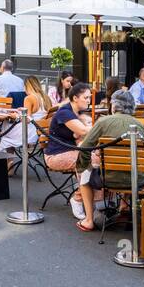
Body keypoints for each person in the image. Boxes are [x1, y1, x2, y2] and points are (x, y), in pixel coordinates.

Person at [74, 89, 144, 234]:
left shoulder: (103, 121)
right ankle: (124, 207)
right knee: (131, 165)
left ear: (113, 106)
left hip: (108, 179)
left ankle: (89, 220)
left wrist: (83, 166)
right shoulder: (140, 125)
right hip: (137, 180)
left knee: (84, 175)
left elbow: (85, 147)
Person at [44, 82, 95, 229]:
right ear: (74, 98)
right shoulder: (64, 112)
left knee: (96, 159)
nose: (89, 100)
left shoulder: (74, 113)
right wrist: (101, 127)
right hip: (56, 155)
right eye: (86, 97)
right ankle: (79, 199)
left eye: (89, 97)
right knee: (90, 162)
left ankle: (96, 202)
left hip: (69, 151)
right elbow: (83, 132)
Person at [0, 76, 51, 158]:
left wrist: (16, 116)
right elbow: (38, 114)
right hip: (42, 132)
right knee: (7, 133)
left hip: (30, 132)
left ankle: (9, 164)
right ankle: (11, 163)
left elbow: (27, 120)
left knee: (5, 132)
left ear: (27, 86)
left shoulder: (29, 98)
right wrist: (21, 111)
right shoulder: (46, 98)